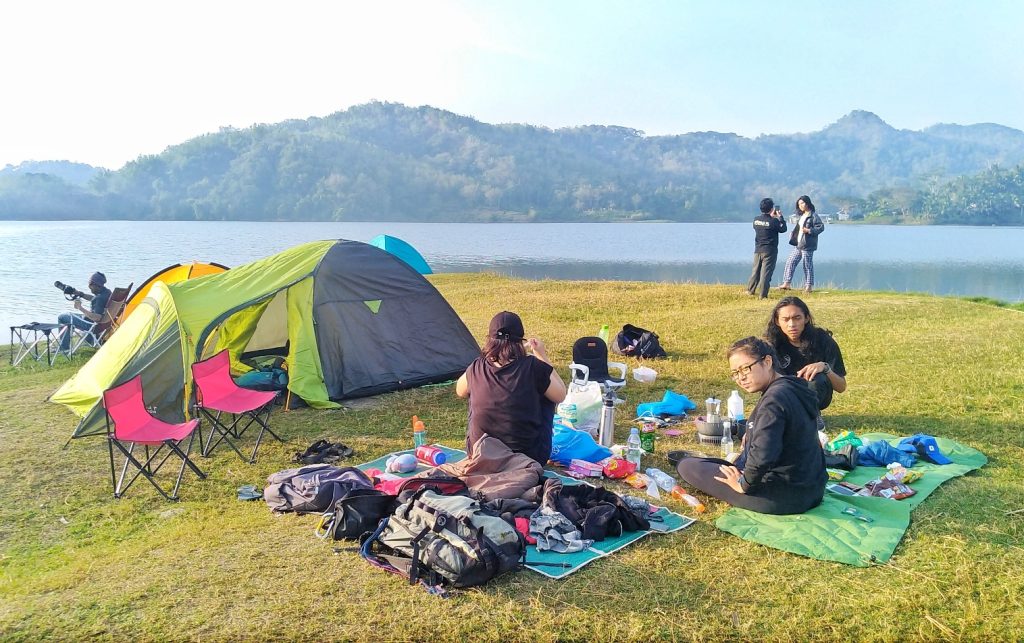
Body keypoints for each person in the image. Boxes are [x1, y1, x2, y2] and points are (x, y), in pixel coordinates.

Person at [676, 337, 826, 515]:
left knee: (687, 465)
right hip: (814, 489)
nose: (741, 378)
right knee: (720, 464)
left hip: (782, 497)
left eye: (745, 368)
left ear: (767, 362)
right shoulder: (794, 387)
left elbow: (763, 455)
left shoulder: (774, 399)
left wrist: (743, 484)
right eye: (735, 373)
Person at [456, 311, 567, 465]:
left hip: (479, 454)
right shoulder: (534, 367)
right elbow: (560, 395)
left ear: (490, 339)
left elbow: (460, 391)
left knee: (474, 393)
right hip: (526, 458)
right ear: (520, 340)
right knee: (546, 395)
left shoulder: (477, 366)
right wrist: (542, 356)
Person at [764, 296, 847, 427]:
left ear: (806, 318)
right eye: (785, 319)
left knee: (818, 377)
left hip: (814, 394)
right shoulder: (771, 345)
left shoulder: (823, 341)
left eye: (797, 318)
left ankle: (812, 415)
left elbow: (841, 387)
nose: (792, 324)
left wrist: (825, 368)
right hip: (784, 396)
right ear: (777, 321)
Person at [778, 195, 824, 293]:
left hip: (807, 245)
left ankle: (809, 286)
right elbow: (799, 228)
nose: (801, 205)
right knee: (790, 262)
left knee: (807, 265)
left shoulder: (813, 216)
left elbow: (820, 228)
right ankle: (786, 283)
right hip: (799, 244)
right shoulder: (802, 216)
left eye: (802, 203)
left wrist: (809, 230)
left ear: (807, 203)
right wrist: (793, 233)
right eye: (799, 204)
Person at [57, 272, 111, 352]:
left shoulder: (99, 298)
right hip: (102, 325)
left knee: (62, 317)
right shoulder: (106, 292)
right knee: (68, 317)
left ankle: (64, 348)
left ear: (97, 285)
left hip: (91, 325)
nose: (89, 286)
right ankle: (82, 340)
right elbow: (94, 299)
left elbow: (97, 318)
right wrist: (80, 294)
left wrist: (80, 307)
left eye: (90, 284)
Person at [746, 198, 787, 299]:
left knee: (755, 271)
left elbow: (764, 223)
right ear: (772, 208)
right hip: (770, 251)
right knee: (766, 273)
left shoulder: (756, 220)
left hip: (758, 250)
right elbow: (783, 229)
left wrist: (770, 216)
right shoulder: (774, 221)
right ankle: (763, 295)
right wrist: (780, 217)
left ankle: (750, 290)